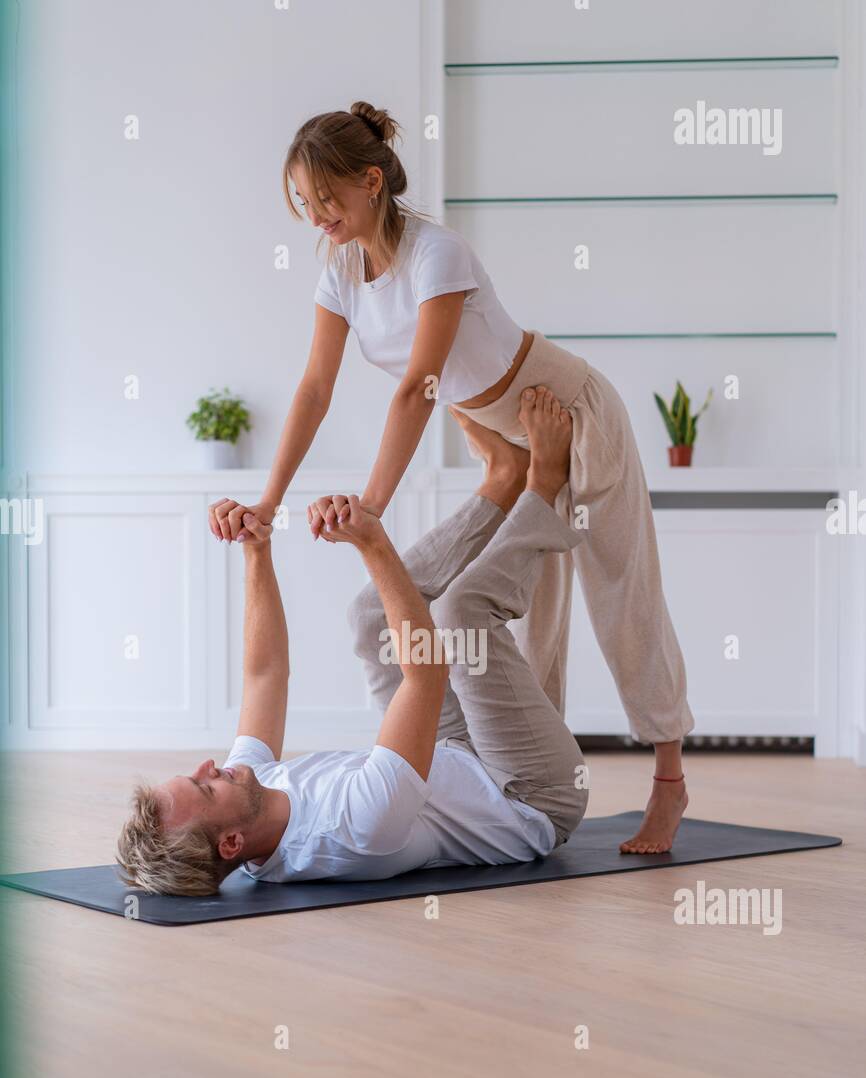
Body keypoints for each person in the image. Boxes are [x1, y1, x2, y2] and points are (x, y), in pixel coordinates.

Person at [209, 100, 693, 854]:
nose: (316, 218)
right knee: (525, 625)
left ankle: (669, 781)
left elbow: (417, 387)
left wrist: (369, 509)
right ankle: (536, 787)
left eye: (327, 199)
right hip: (502, 430)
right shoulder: (340, 271)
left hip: (567, 410)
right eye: (303, 203)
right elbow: (313, 390)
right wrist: (267, 504)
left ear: (372, 182)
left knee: (618, 591)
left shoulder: (438, 254)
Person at [117, 391, 587, 897]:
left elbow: (265, 674)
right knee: (460, 615)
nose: (208, 767)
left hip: (450, 754)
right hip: (522, 791)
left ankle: (501, 481)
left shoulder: (248, 796)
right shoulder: (355, 829)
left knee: (368, 617)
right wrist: (372, 542)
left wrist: (257, 550)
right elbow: (426, 676)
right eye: (204, 786)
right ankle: (543, 484)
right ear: (231, 843)